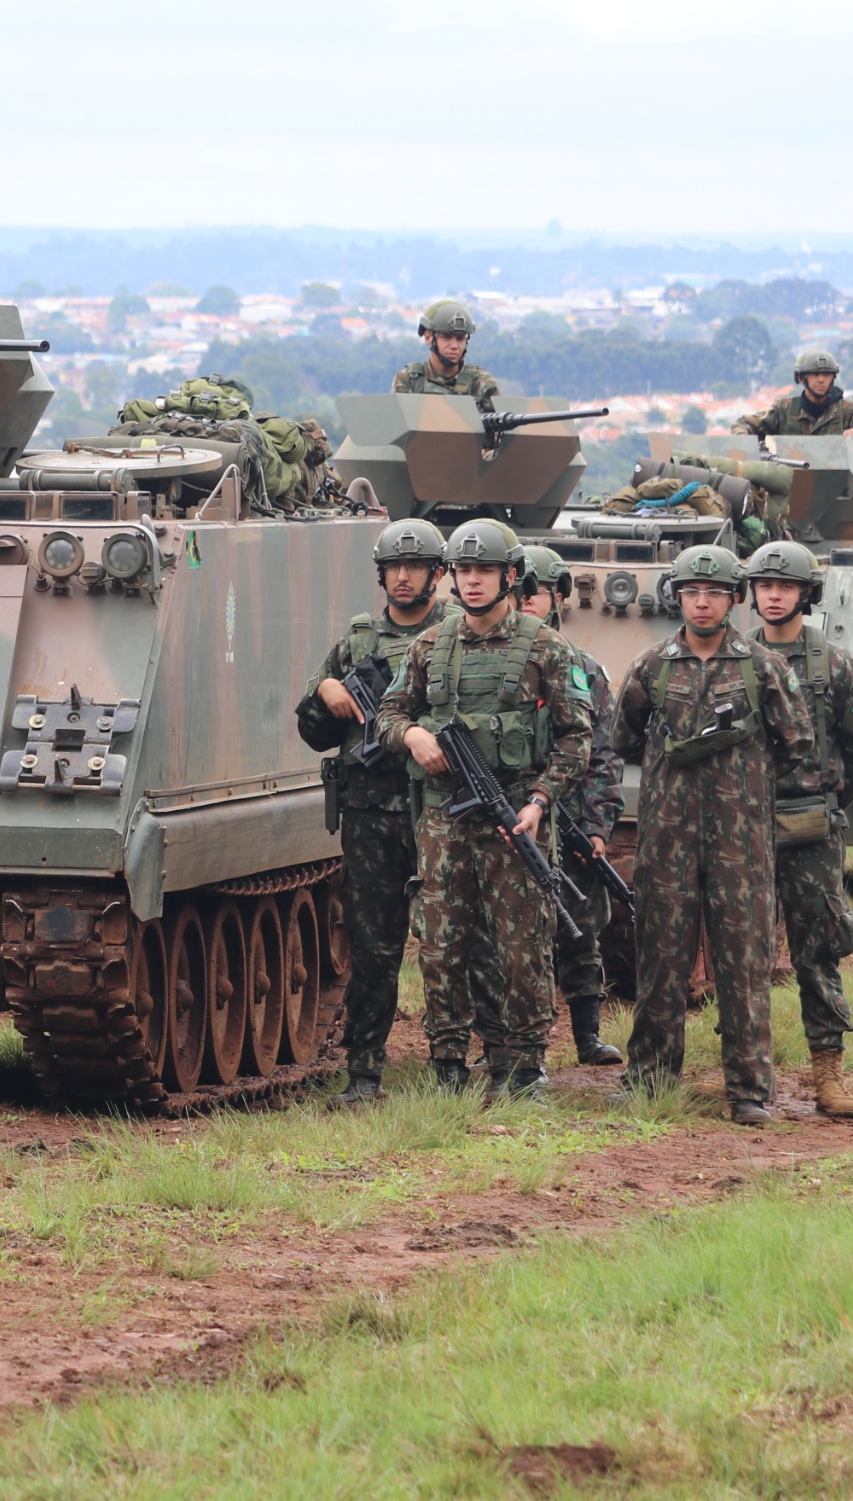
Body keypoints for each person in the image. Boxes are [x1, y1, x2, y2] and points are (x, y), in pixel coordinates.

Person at [375, 519, 589, 1100]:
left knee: (524, 945)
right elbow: (388, 714)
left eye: (485, 571)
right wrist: (413, 736)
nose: (472, 581)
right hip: (444, 820)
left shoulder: (545, 647)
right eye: (464, 570)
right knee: (442, 945)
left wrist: (540, 801)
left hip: (516, 817)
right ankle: (447, 1060)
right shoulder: (429, 645)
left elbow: (576, 738)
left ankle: (525, 1065)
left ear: (509, 576)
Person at [614, 544, 816, 1126]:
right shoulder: (652, 666)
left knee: (744, 964)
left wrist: (741, 785)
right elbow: (624, 738)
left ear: (733, 599)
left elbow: (796, 742)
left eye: (714, 593)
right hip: (666, 840)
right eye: (691, 593)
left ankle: (749, 1088)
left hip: (741, 844)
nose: (702, 603)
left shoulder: (763, 667)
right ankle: (650, 1077)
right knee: (661, 960)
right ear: (676, 597)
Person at [298, 519, 452, 1105]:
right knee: (373, 947)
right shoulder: (358, 643)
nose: (403, 577)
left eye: (415, 567)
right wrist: (324, 694)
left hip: (439, 807)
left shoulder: (455, 635)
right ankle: (363, 1072)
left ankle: (455, 1064)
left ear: (437, 574)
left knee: (452, 941)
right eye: (394, 568)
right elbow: (314, 733)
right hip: (371, 815)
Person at [740, 541, 853, 1116]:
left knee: (817, 948)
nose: (774, 595)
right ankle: (746, 1070)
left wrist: (827, 799)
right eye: (765, 585)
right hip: (744, 824)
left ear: (806, 594)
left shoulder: (836, 666)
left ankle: (828, 1075)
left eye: (786, 586)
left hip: (812, 826)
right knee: (742, 952)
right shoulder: (734, 658)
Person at [512, 545, 623, 1067]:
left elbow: (602, 752)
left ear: (558, 597)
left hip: (571, 818)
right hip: (513, 817)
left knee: (581, 928)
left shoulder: (584, 669)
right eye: (520, 589)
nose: (526, 599)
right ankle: (507, 1043)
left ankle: (587, 1035)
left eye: (536, 590)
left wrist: (598, 824)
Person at [732, 350, 853, 439]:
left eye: (826, 374)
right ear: (801, 378)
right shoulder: (784, 409)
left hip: (837, 481)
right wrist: (743, 438)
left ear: (833, 378)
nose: (821, 380)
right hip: (791, 480)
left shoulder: (846, 410)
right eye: (815, 374)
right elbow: (744, 423)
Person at [390, 300, 499, 411]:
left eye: (460, 338)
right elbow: (396, 419)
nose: (454, 346)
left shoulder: (481, 383)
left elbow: (498, 420)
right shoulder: (410, 380)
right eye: (446, 337)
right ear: (428, 337)